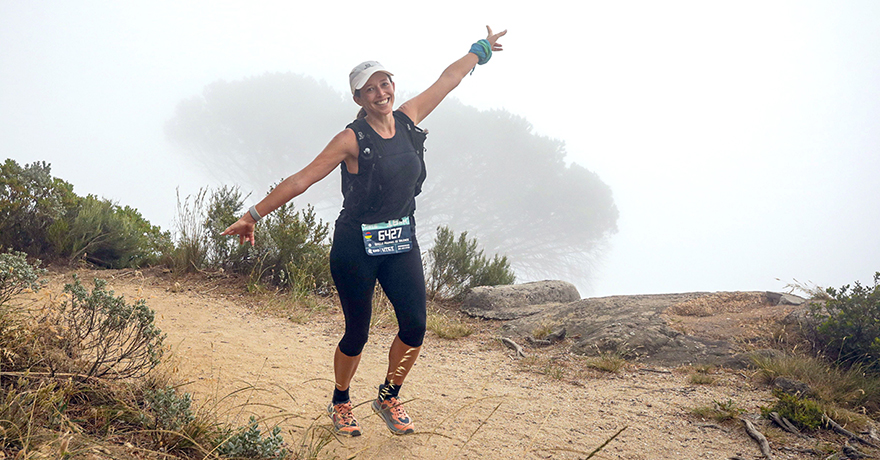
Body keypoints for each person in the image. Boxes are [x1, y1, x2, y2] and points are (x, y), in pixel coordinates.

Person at [221, 26, 507, 437]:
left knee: (415, 326)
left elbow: (448, 80)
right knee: (358, 331)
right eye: (369, 89)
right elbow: (303, 179)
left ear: (393, 86)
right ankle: (341, 400)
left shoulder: (410, 119)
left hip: (400, 240)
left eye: (384, 83)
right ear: (358, 99)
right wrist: (253, 214)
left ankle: (388, 395)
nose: (380, 92)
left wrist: (479, 52)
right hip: (356, 244)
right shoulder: (350, 139)